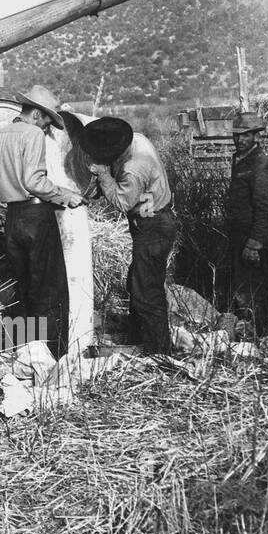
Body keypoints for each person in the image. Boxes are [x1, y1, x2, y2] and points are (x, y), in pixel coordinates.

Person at [0, 85, 85, 358]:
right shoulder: (33, 134)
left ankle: (25, 354)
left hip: (12, 219)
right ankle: (52, 357)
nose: (47, 127)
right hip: (36, 216)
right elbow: (33, 181)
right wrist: (65, 196)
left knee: (22, 286)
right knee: (48, 289)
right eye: (48, 121)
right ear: (37, 115)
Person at [79, 116, 176, 355]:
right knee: (139, 281)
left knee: (147, 292)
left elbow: (122, 201)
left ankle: (159, 352)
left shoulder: (133, 169)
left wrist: (103, 175)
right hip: (153, 222)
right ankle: (139, 338)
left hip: (153, 226)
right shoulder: (137, 140)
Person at [225, 112, 268, 335]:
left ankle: (265, 335)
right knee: (243, 288)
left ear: (255, 135)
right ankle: (249, 333)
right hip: (240, 237)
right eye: (236, 135)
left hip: (254, 239)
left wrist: (254, 244)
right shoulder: (241, 160)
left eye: (245, 135)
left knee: (257, 290)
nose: (240, 140)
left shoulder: (259, 163)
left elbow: (265, 208)